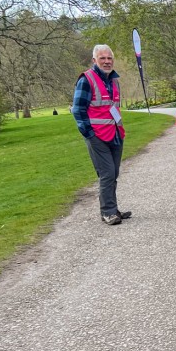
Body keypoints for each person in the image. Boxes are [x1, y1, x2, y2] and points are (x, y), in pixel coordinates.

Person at [72, 45, 129, 225]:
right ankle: (108, 212)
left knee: (114, 173)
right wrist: (89, 134)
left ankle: (113, 209)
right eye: (102, 58)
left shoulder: (114, 80)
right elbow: (78, 109)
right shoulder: (86, 79)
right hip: (97, 135)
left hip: (115, 133)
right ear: (94, 60)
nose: (106, 61)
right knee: (107, 173)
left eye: (109, 58)